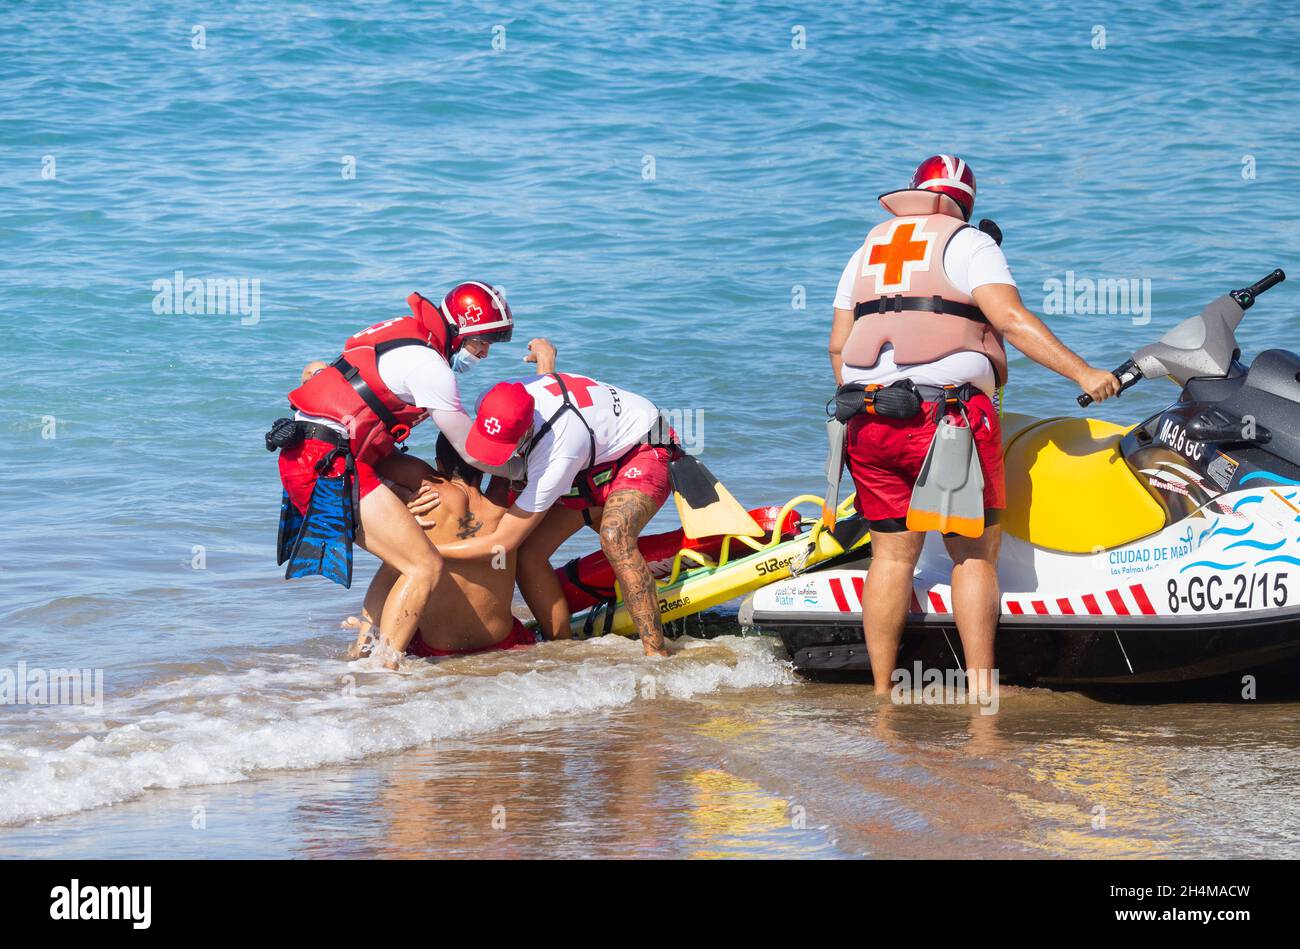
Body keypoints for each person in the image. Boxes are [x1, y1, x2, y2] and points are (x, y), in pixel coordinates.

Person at [827, 154, 1120, 694]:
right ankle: (982, 695)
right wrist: (1084, 372)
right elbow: (1009, 319)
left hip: (864, 418)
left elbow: (838, 347)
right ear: (965, 202)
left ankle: (881, 696)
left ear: (916, 193)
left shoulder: (865, 252)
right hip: (948, 419)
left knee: (891, 555)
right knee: (973, 555)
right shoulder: (970, 244)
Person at [274, 282, 556, 668]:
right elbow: (471, 449)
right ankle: (385, 668)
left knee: (403, 557)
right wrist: (523, 465)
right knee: (422, 565)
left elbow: (327, 380)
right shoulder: (431, 368)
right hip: (328, 464)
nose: (485, 352)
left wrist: (400, 487)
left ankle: (365, 652)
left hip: (316, 456)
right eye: (481, 342)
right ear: (459, 331)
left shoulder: (407, 338)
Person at [421, 373, 677, 658]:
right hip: (590, 459)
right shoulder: (491, 399)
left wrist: (424, 551)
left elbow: (503, 542)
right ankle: (563, 648)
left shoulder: (559, 453)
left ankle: (656, 654)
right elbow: (544, 378)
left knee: (615, 536)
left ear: (528, 429)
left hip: (643, 446)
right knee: (530, 552)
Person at [347, 435, 535, 659]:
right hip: (503, 641)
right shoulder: (502, 507)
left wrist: (397, 492)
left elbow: (366, 455)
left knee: (396, 562)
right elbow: (513, 468)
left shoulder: (428, 489)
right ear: (484, 467)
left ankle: (366, 642)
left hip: (437, 649)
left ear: (438, 464)